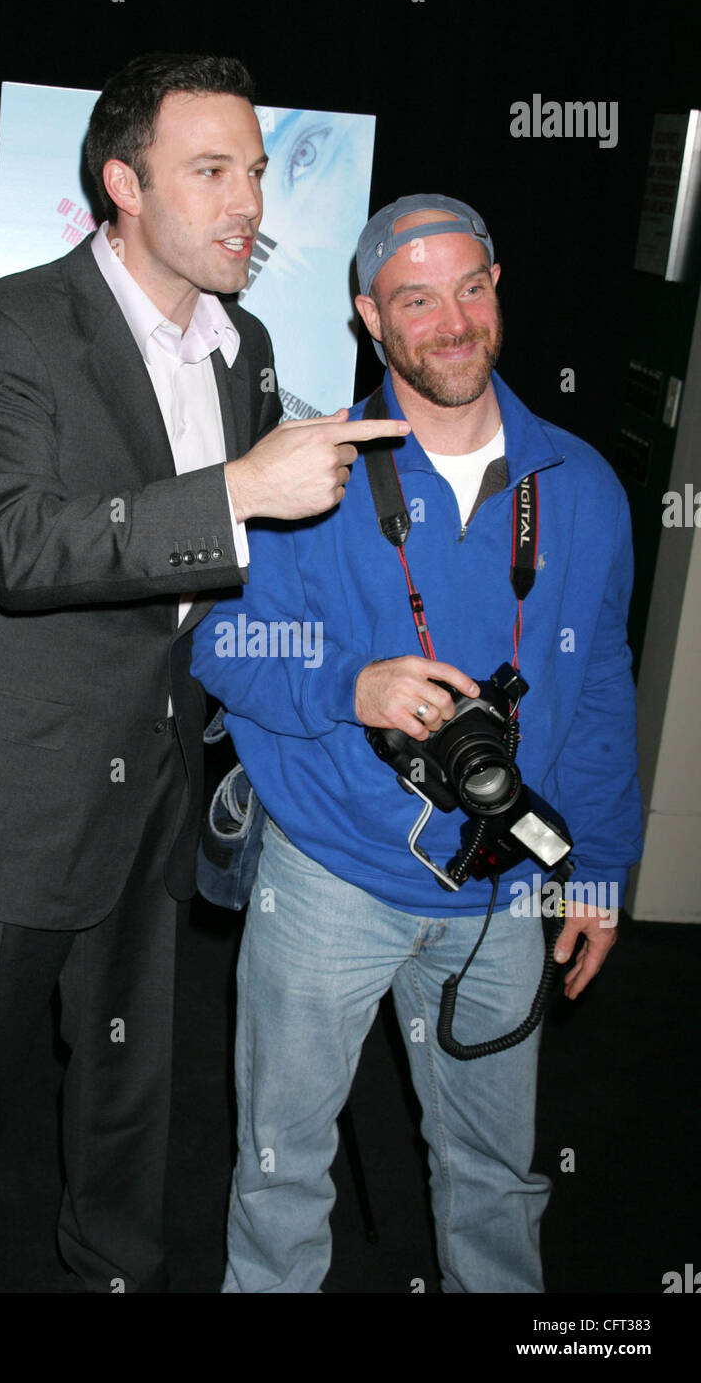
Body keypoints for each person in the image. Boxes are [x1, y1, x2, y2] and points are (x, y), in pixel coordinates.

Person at [0, 52, 410, 1294]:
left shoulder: (250, 346)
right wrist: (238, 492)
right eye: (211, 171)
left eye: (259, 173)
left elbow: (227, 582)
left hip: (154, 792)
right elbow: (14, 545)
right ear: (123, 182)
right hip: (2, 805)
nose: (250, 205)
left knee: (128, 1105)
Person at [191, 193, 644, 1293]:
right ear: (368, 316)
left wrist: (600, 866)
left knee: (496, 1175)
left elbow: (598, 690)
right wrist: (352, 684)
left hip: (500, 896)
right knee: (282, 1168)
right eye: (416, 299)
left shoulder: (581, 486)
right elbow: (222, 641)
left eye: (473, 288)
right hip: (330, 880)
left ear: (498, 289)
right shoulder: (308, 471)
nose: (452, 323)